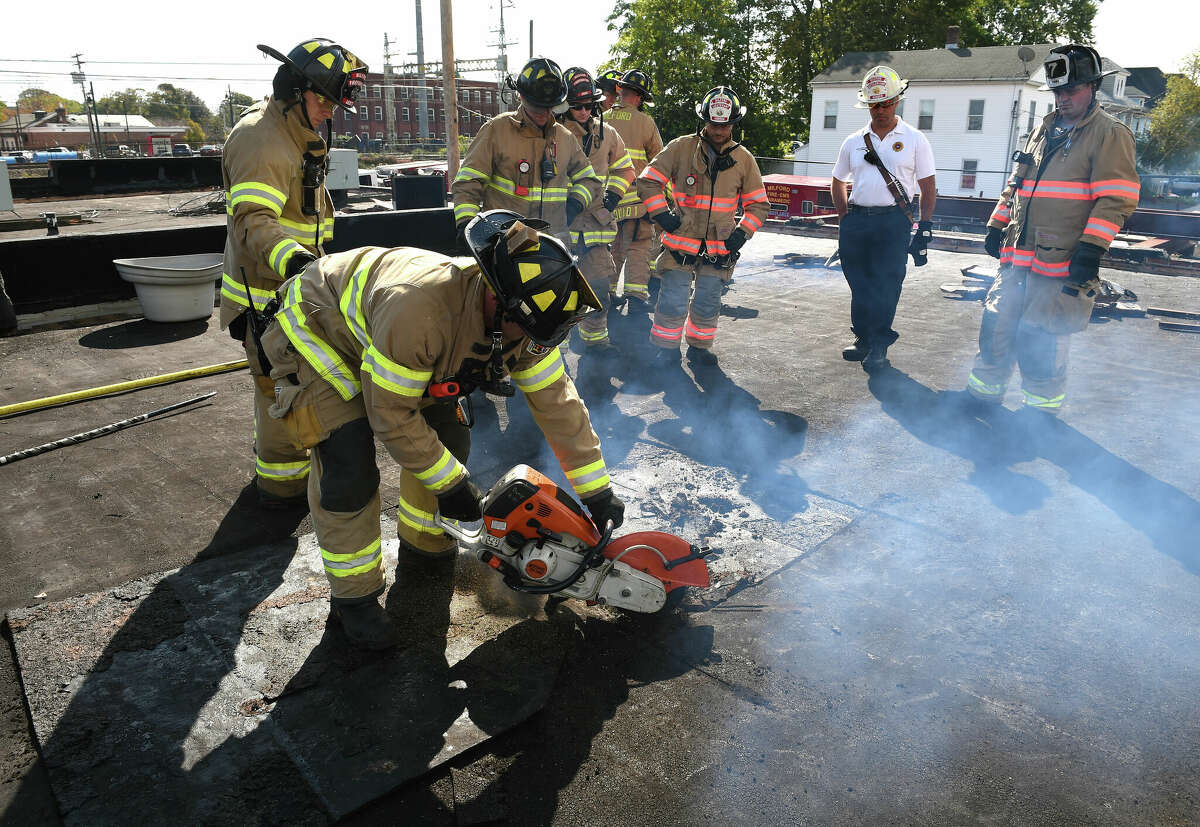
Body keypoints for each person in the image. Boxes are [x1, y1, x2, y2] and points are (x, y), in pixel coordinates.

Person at [257, 210, 627, 649]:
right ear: (498, 300)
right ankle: (353, 601)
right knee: (348, 464)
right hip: (318, 328)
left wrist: (597, 490)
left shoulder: (529, 326)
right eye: (523, 331)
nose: (526, 345)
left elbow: (559, 406)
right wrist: (452, 486)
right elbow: (390, 415)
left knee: (450, 439)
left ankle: (425, 547)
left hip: (394, 343)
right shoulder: (422, 310)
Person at [219, 38, 367, 509]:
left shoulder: (296, 136)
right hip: (265, 296)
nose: (329, 112)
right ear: (294, 90)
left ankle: (286, 478)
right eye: (323, 99)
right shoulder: (261, 139)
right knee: (279, 393)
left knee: (297, 389)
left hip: (293, 292)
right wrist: (302, 265)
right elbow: (253, 222)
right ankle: (278, 494)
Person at [968, 44, 1139, 414]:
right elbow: (1015, 185)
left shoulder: (1109, 134)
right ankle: (982, 398)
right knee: (995, 328)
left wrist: (1092, 249)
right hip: (1016, 260)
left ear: (1092, 87)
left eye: (1070, 90)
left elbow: (1117, 198)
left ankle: (1040, 417)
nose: (1062, 98)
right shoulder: (1043, 131)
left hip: (1060, 264)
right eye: (1058, 91)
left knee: (1041, 342)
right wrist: (997, 225)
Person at [636, 86, 769, 366]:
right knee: (672, 298)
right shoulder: (680, 148)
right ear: (703, 120)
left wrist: (742, 233)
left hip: (719, 247)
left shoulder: (743, 159)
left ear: (733, 123)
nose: (719, 131)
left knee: (708, 300)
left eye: (725, 124)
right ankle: (666, 348)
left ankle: (699, 348)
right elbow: (647, 181)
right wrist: (662, 214)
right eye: (713, 123)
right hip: (679, 242)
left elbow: (759, 204)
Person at [830, 65, 936, 371]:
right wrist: (844, 217)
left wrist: (925, 225)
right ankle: (862, 338)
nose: (880, 110)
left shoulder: (915, 140)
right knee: (859, 282)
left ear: (897, 101)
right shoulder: (853, 141)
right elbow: (837, 180)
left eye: (886, 102)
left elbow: (928, 186)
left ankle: (879, 345)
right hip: (857, 220)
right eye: (874, 104)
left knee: (887, 284)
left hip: (894, 222)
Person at [452, 58, 602, 243]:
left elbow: (588, 179)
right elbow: (468, 182)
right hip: (504, 245)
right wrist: (466, 223)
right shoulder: (497, 130)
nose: (544, 114)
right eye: (537, 108)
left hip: (553, 247)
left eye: (549, 108)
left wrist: (574, 205)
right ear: (521, 97)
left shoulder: (565, 138)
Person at [558, 67, 635, 352]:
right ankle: (557, 348)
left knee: (600, 286)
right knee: (558, 290)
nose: (582, 110)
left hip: (594, 223)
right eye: (575, 105)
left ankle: (594, 340)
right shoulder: (553, 133)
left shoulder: (608, 134)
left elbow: (626, 169)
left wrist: (613, 197)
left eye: (587, 104)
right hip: (559, 225)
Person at [606, 68, 664, 309]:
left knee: (612, 248)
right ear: (640, 97)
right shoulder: (646, 122)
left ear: (621, 91)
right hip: (638, 202)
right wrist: (660, 202)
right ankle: (636, 297)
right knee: (640, 247)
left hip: (607, 200)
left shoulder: (602, 118)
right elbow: (659, 163)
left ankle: (607, 295)